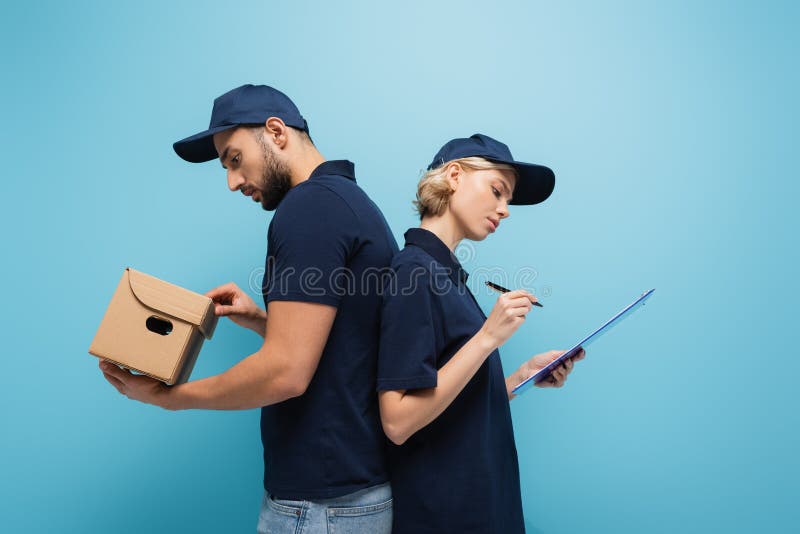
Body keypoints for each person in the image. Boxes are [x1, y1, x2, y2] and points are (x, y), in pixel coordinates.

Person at [99, 84, 397, 533]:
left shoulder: (309, 208)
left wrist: (168, 397)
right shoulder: (348, 202)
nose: (232, 182)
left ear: (276, 132)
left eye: (234, 159)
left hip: (322, 506)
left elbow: (286, 373)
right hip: (349, 494)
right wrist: (263, 321)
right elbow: (351, 343)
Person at [377, 133, 586, 533]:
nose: (504, 210)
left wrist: (520, 377)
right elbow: (398, 421)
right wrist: (488, 337)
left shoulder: (445, 275)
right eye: (497, 191)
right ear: (454, 175)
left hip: (481, 505)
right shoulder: (414, 273)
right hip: (446, 514)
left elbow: (447, 396)